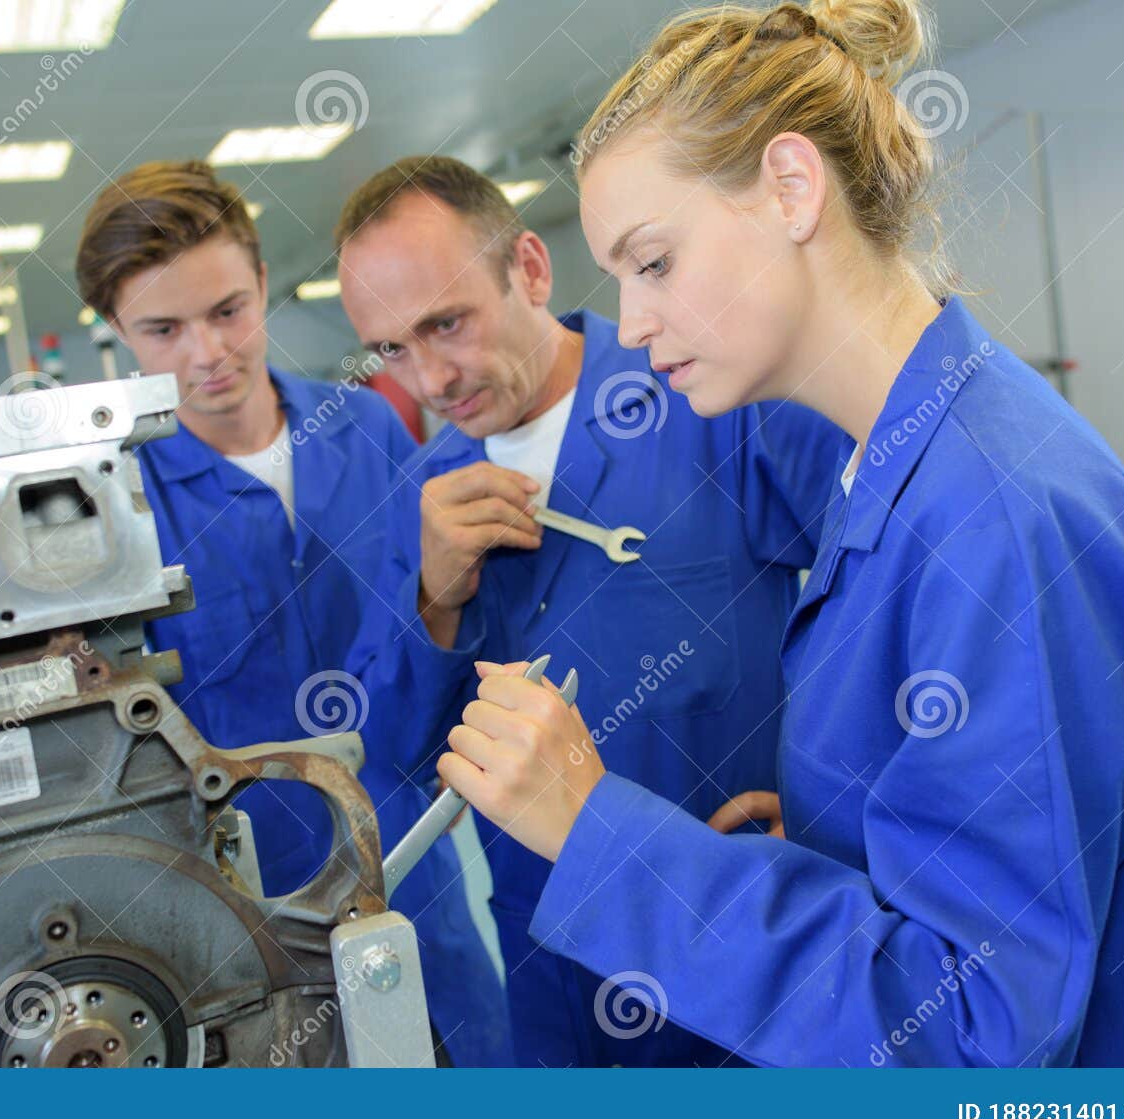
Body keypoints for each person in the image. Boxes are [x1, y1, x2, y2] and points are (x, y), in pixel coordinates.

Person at [436, 0, 1124, 1066]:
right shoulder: (898, 462)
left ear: (789, 187)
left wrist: (601, 839)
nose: (629, 327)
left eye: (653, 262)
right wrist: (840, 835)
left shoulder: (993, 514)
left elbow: (977, 1039)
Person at [335, 155, 846, 1066]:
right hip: (549, 952)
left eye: (446, 323)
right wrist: (435, 595)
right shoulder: (426, 494)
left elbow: (884, 599)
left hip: (720, 926)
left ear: (530, 269)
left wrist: (835, 811)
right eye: (390, 351)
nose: (430, 378)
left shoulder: (709, 399)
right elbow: (405, 754)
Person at [75, 161, 508, 1066]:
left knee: (471, 1063)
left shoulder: (372, 431)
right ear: (116, 332)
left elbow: (433, 622)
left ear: (265, 283)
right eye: (163, 329)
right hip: (240, 890)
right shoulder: (118, 502)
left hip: (405, 846)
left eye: (228, 310)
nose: (207, 353)